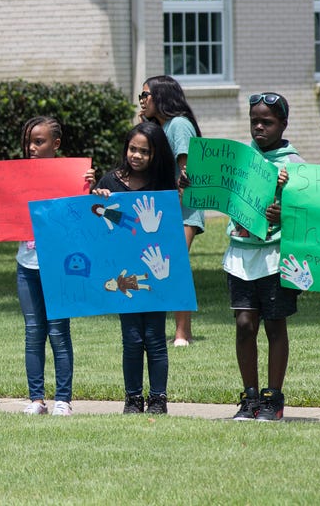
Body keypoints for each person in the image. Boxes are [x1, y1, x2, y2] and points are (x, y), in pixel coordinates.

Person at [0, 116, 92, 416]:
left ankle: (63, 399)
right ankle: (36, 398)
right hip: (26, 265)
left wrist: (86, 188)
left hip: (59, 266)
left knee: (58, 331)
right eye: (28, 142)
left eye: (38, 142)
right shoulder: (17, 177)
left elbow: (82, 217)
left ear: (56, 144)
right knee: (33, 331)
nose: (31, 147)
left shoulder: (71, 176)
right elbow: (5, 211)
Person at [225, 92, 302, 421]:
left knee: (274, 324)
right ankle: (250, 398)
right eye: (254, 121)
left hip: (275, 256)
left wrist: (282, 210)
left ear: (283, 124)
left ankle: (273, 398)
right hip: (241, 255)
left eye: (267, 122)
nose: (259, 127)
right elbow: (215, 189)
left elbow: (307, 212)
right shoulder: (240, 158)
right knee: (244, 324)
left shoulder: (294, 164)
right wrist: (191, 181)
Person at [91, 121, 176, 414]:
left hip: (156, 270)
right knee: (131, 338)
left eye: (144, 151)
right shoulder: (110, 182)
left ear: (156, 155)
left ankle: (158, 399)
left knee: (154, 336)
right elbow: (95, 221)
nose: (136, 155)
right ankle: (132, 399)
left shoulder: (164, 184)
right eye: (132, 149)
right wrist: (96, 197)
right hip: (122, 274)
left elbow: (172, 228)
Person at [139, 75, 203, 346]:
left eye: (146, 96)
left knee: (175, 266)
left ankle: (182, 333)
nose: (141, 101)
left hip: (182, 209)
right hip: (162, 212)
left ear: (161, 97)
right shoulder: (159, 127)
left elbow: (186, 173)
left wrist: (172, 206)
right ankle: (173, 330)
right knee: (162, 266)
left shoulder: (178, 125)